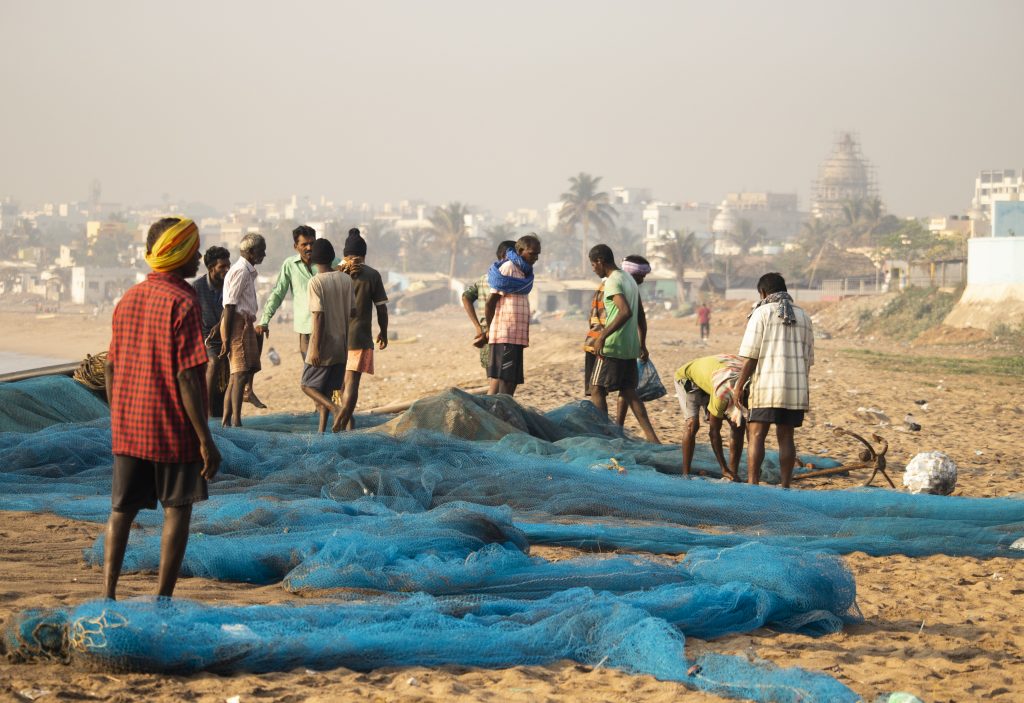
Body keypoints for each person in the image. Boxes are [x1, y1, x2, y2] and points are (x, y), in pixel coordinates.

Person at [102, 217, 221, 600]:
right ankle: (162, 599)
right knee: (178, 510)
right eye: (195, 249)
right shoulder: (184, 301)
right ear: (179, 253)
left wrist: (117, 415)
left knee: (121, 511)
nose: (200, 256)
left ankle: (107, 594)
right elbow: (188, 377)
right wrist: (205, 439)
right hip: (172, 428)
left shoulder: (129, 298)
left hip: (130, 427)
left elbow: (110, 366)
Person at [733, 272, 814, 487]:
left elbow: (750, 355)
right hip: (795, 387)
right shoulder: (804, 317)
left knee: (756, 433)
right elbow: (808, 359)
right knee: (786, 437)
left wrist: (739, 385)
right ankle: (786, 485)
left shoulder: (761, 313)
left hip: (767, 385)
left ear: (762, 292)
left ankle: (753, 484)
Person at [586, 244, 659, 442]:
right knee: (629, 392)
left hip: (613, 345)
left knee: (596, 388)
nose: (593, 269)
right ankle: (653, 439)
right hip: (630, 347)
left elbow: (625, 312)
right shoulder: (630, 280)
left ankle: (606, 435)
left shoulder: (613, 281)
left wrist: (602, 336)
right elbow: (640, 316)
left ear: (600, 261)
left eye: (593, 265)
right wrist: (642, 344)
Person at [302, 238, 356, 433]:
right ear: (332, 257)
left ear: (314, 260)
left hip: (323, 344)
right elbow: (353, 312)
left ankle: (335, 409)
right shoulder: (346, 279)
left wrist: (314, 347)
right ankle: (322, 429)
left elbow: (318, 317)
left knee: (307, 386)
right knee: (327, 388)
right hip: (341, 344)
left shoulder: (315, 282)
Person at [338, 228, 388, 428]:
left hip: (335, 339)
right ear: (364, 255)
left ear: (345, 255)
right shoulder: (372, 275)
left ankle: (346, 421)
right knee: (352, 383)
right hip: (359, 338)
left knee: (340, 384)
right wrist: (383, 332)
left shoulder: (335, 274)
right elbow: (381, 309)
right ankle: (343, 422)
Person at [484, 234, 541, 396]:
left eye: (538, 254)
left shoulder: (525, 273)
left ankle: (501, 413)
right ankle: (500, 415)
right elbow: (490, 302)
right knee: (505, 380)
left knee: (512, 380)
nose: (536, 258)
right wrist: (489, 330)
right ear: (521, 250)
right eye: (532, 253)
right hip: (505, 334)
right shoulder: (508, 268)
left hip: (517, 336)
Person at [256, 225, 324, 360]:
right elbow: (278, 293)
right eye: (304, 244)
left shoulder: (327, 261)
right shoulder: (290, 265)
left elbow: (345, 265)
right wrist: (264, 320)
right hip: (305, 327)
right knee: (310, 369)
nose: (309, 248)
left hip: (329, 327)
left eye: (312, 243)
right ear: (296, 246)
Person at [220, 233, 267, 427]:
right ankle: (236, 421)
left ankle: (227, 420)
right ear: (251, 252)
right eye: (261, 251)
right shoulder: (240, 271)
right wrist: (227, 336)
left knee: (236, 376)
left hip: (244, 324)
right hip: (238, 324)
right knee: (239, 375)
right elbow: (230, 305)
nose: (264, 254)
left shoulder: (246, 271)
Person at [675, 354, 746, 480]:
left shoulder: (751, 385)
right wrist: (723, 468)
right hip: (689, 379)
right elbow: (714, 432)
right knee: (692, 425)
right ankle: (685, 474)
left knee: (738, 425)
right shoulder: (722, 394)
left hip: (717, 373)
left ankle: (733, 472)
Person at [616, 254, 660, 443]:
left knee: (624, 388)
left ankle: (617, 428)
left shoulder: (628, 287)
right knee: (625, 389)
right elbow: (639, 317)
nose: (643, 279)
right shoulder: (622, 286)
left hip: (623, 345)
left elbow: (640, 317)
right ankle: (618, 427)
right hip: (622, 344)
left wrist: (642, 343)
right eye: (641, 275)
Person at [463, 239, 516, 370]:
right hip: (501, 335)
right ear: (506, 256)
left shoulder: (484, 278)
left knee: (493, 376)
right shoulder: (510, 280)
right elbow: (487, 303)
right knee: (503, 381)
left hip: (486, 336)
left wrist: (478, 327)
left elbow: (466, 297)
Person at [192, 245, 230, 417]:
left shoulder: (230, 285)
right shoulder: (197, 288)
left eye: (228, 265)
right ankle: (206, 411)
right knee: (213, 362)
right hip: (206, 339)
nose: (227, 269)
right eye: (223, 266)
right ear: (210, 268)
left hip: (228, 336)